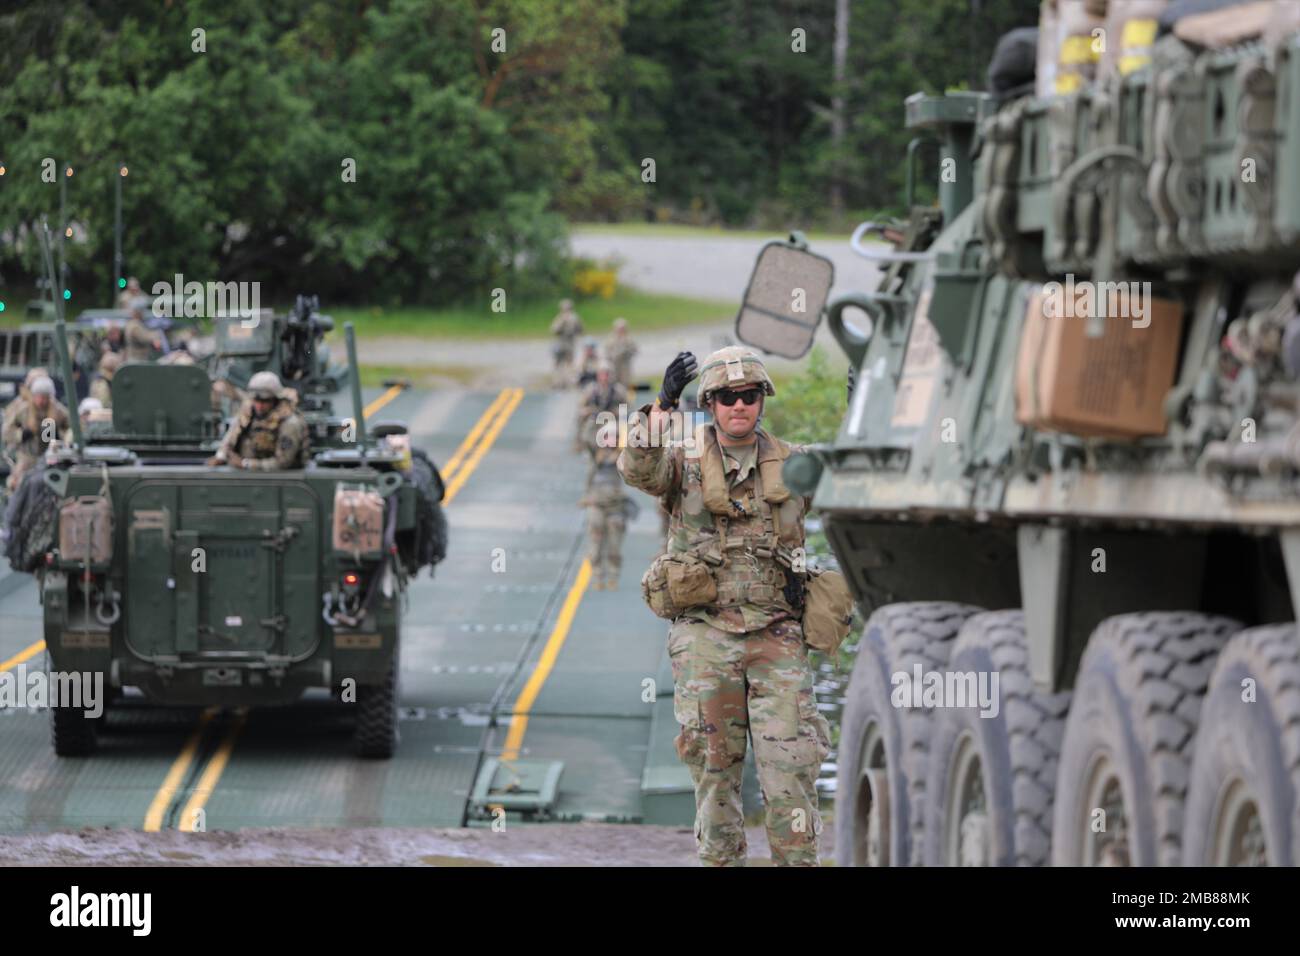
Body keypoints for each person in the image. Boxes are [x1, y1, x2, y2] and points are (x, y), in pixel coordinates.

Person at [618, 346, 830, 867]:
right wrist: (661, 407)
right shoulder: (684, 464)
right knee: (714, 771)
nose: (740, 406)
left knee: (792, 769)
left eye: (750, 396)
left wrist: (875, 398)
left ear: (762, 401)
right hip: (706, 636)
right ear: (711, 404)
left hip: (776, 635)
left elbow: (857, 477)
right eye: (728, 397)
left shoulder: (795, 464)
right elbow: (637, 469)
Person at [206, 371, 308, 471]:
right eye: (256, 400)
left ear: (275, 400)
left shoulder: (289, 423)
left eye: (265, 401)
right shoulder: (248, 414)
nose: (259, 406)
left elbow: (283, 461)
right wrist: (221, 456)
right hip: (250, 475)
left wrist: (246, 464)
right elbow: (231, 437)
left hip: (279, 480)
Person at [580, 431, 633, 591]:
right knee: (595, 542)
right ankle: (598, 575)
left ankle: (613, 575)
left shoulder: (622, 457)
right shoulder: (595, 456)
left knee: (614, 543)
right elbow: (586, 439)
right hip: (596, 503)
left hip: (615, 505)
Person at [4, 376, 70, 492]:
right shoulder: (23, 410)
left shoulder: (58, 411)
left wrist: (59, 436)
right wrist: (22, 434)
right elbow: (6, 431)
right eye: (38, 397)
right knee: (18, 485)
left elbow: (72, 430)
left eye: (45, 397)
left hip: (51, 459)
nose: (41, 401)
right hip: (27, 458)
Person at [575, 360, 624, 453]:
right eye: (602, 374)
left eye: (607, 374)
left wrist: (617, 412)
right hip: (595, 419)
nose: (604, 377)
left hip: (612, 420)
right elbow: (581, 406)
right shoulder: (591, 390)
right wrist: (587, 410)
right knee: (587, 435)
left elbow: (627, 408)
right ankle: (580, 444)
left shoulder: (618, 390)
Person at [549, 298, 583, 386]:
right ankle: (558, 382)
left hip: (569, 343)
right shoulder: (559, 318)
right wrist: (563, 322)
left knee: (569, 363)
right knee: (558, 363)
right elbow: (554, 330)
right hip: (560, 343)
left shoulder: (575, 317)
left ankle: (568, 381)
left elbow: (580, 329)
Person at [605, 317, 638, 391]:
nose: (621, 330)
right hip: (614, 367)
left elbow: (635, 350)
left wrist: (627, 351)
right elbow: (607, 353)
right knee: (614, 386)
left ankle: (625, 402)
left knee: (626, 386)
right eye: (619, 328)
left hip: (625, 367)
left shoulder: (628, 339)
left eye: (623, 328)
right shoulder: (611, 339)